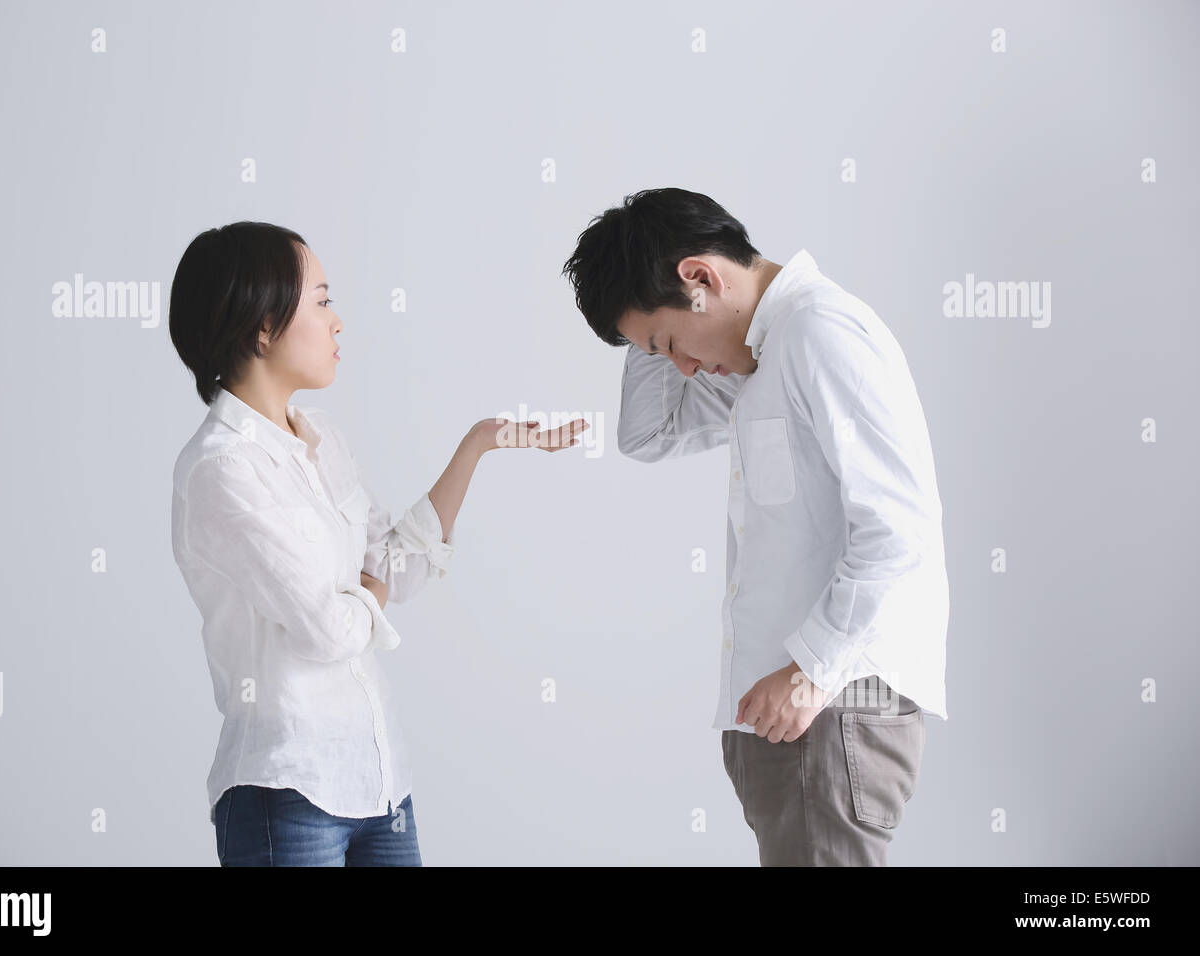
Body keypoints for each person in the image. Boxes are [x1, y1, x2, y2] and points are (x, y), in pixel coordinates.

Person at [168, 221, 586, 866]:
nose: (338, 323)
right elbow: (327, 630)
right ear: (260, 325)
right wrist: (366, 592)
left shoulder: (321, 438)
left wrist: (478, 444)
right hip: (286, 791)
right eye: (323, 300)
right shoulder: (222, 468)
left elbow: (395, 569)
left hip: (379, 782)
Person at [562, 188, 949, 866]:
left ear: (702, 279)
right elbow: (649, 433)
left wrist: (809, 670)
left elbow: (897, 527)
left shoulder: (818, 334)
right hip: (804, 716)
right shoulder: (762, 357)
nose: (679, 366)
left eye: (669, 343)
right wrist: (641, 318)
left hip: (827, 708)